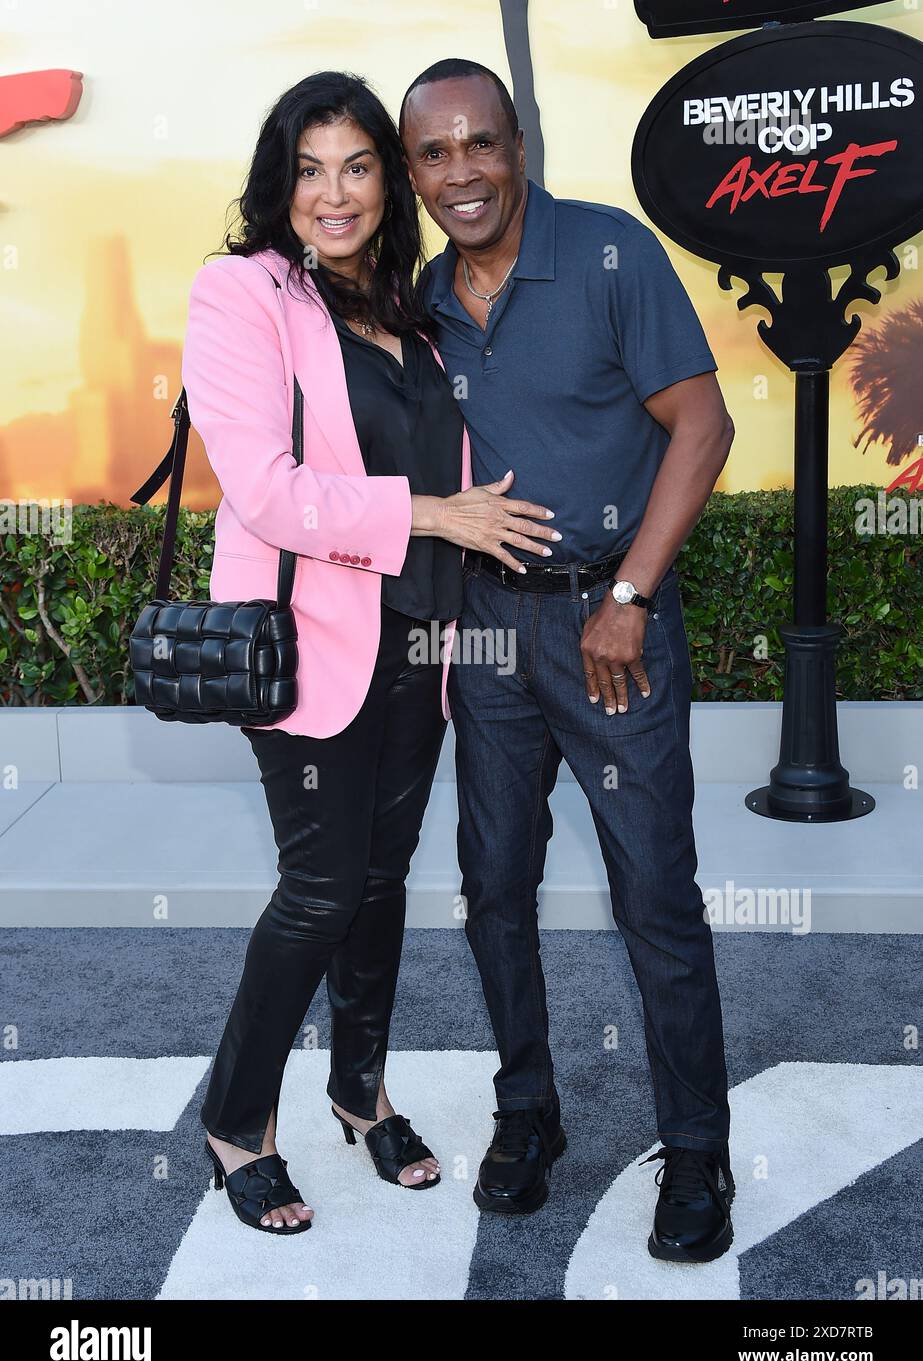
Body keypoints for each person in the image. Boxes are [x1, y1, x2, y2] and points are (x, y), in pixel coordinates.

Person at [181, 70, 559, 1235]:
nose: (332, 193)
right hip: (305, 646)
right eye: (308, 169)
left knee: (382, 883)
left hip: (417, 645)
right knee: (319, 889)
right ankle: (237, 1119)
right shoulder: (241, 292)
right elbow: (267, 491)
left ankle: (360, 1090)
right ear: (277, 181)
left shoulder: (406, 306)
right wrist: (436, 513)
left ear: (385, 181)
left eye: (356, 166)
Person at [400, 58, 737, 1261]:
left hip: (612, 627)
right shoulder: (422, 297)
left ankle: (696, 1147)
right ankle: (526, 1109)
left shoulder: (608, 253)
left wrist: (631, 595)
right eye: (433, 155)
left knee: (654, 891)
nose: (459, 173)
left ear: (518, 145)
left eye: (478, 145)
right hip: (489, 629)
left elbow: (702, 425)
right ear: (414, 172)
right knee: (491, 880)